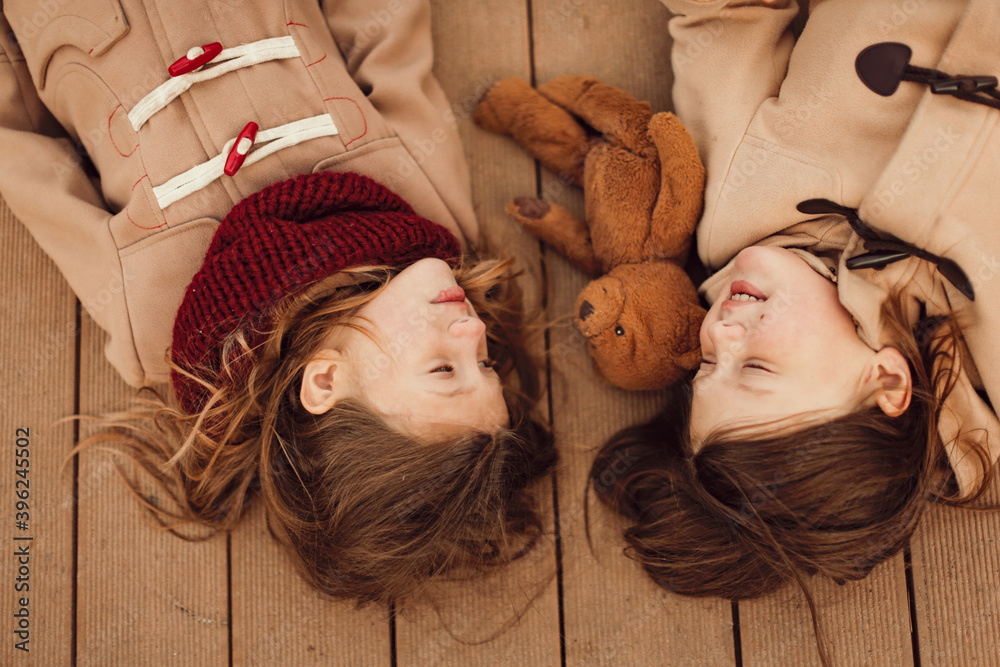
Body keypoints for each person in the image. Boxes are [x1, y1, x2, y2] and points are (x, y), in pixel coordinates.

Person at [0, 0, 555, 605]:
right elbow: (384, 37)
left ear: (323, 382)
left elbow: (27, 160)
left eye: (445, 369)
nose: (475, 335)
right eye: (488, 367)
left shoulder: (156, 324)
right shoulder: (426, 208)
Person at [590, 0, 1000, 660]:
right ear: (887, 380)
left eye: (706, 369)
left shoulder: (734, 205)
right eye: (754, 369)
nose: (720, 335)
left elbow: (723, 21)